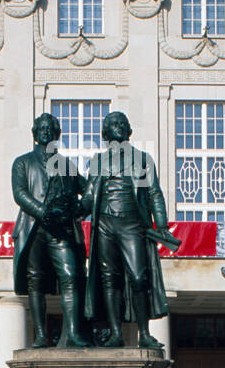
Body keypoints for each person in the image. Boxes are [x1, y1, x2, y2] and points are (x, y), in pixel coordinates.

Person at [80, 111, 176, 350]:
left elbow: (154, 192)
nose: (119, 126)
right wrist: (70, 211)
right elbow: (90, 195)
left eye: (123, 123)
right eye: (113, 124)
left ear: (129, 130)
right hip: (105, 224)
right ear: (105, 132)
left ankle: (144, 333)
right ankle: (115, 333)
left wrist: (161, 224)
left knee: (138, 276)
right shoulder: (98, 161)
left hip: (132, 222)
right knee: (109, 279)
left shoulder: (143, 159)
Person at [11, 113, 90, 348]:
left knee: (71, 276)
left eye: (50, 128)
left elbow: (87, 190)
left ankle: (74, 333)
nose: (46, 131)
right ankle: (41, 336)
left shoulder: (67, 165)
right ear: (34, 133)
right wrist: (42, 211)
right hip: (33, 228)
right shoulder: (22, 162)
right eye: (41, 128)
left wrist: (79, 209)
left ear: (57, 134)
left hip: (62, 230)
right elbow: (20, 193)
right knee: (35, 280)